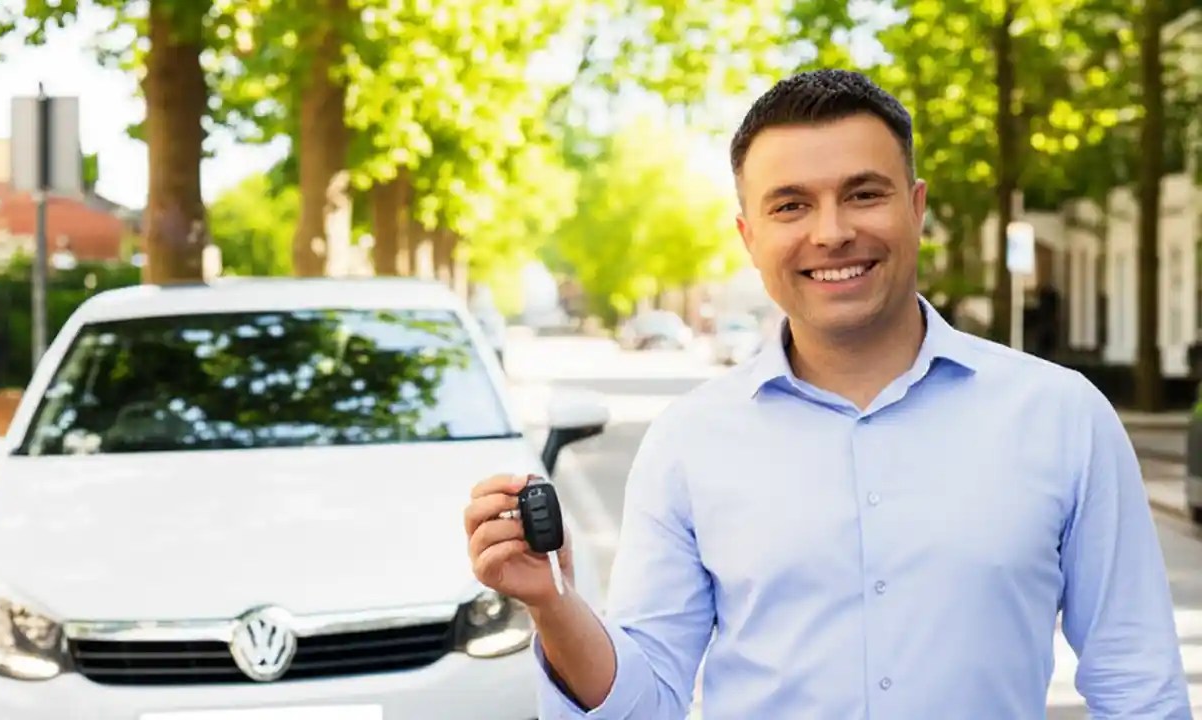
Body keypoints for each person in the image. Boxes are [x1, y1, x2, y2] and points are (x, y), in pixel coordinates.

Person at [463, 69, 1190, 718]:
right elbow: (646, 703)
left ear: (916, 208)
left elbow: (1139, 690)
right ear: (749, 237)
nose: (833, 232)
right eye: (790, 207)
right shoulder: (689, 442)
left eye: (863, 194)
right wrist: (551, 606)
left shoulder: (1064, 417)